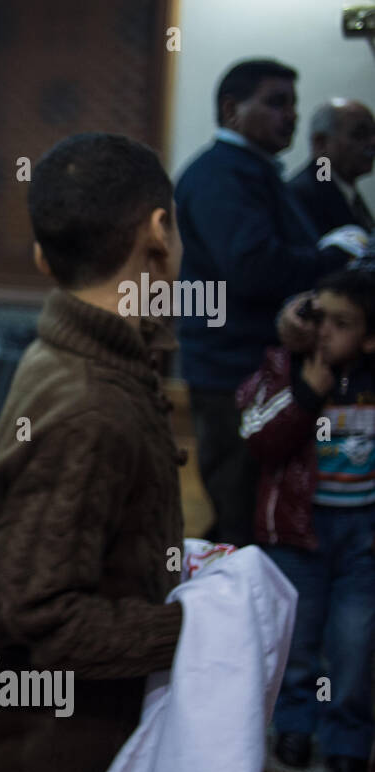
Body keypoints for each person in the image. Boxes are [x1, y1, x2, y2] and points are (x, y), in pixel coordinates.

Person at [0, 133, 187, 772]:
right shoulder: (90, 404)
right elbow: (46, 616)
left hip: (47, 750)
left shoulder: (85, 358)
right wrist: (190, 631)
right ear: (157, 232)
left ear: (41, 260)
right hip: (54, 757)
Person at [176, 59, 353, 547]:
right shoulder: (219, 175)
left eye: (294, 105)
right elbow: (254, 268)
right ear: (232, 110)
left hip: (256, 370)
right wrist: (334, 256)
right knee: (242, 527)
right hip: (231, 374)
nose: (291, 116)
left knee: (265, 517)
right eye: (276, 103)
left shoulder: (255, 171)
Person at [237, 268, 375, 772]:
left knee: (354, 644)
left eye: (342, 325)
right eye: (320, 319)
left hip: (360, 535)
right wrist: (307, 394)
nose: (325, 333)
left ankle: (347, 744)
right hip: (298, 530)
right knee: (296, 639)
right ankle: (294, 726)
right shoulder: (285, 367)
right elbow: (260, 440)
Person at [289, 99, 375, 236]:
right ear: (321, 143)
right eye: (360, 134)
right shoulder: (302, 196)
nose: (372, 143)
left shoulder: (343, 187)